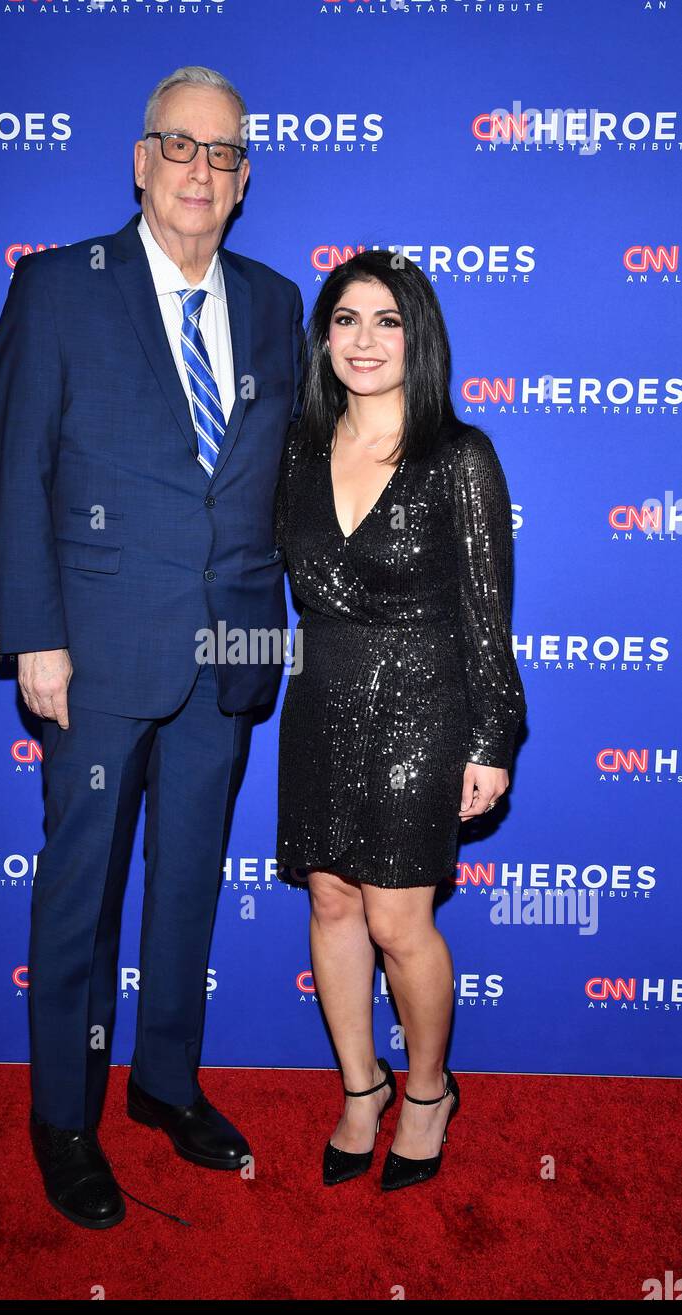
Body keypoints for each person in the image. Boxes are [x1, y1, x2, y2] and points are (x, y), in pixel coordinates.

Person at [0, 66, 304, 1229]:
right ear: (139, 158)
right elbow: (17, 471)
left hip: (226, 645)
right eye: (180, 145)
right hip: (97, 651)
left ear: (245, 178)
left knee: (187, 889)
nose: (199, 171)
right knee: (82, 890)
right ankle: (63, 1117)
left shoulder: (276, 303)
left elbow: (279, 481)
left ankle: (164, 1084)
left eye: (223, 154)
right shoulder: (61, 288)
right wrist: (35, 638)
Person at [274, 250, 526, 1192]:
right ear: (324, 338)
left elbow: (485, 613)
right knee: (330, 900)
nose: (365, 339)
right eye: (345, 320)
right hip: (322, 702)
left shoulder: (457, 457)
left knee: (396, 917)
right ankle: (357, 1087)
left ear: (416, 336)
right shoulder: (296, 450)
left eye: (387, 320)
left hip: (424, 709)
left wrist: (491, 738)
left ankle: (426, 1092)